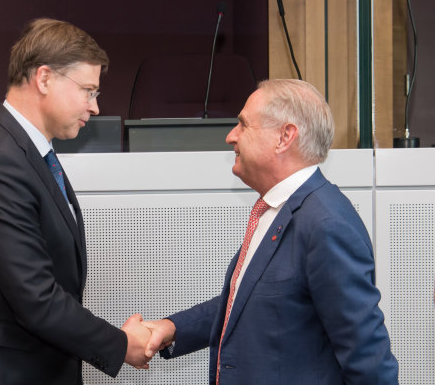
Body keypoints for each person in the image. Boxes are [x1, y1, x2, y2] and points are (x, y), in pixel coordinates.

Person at [0, 18, 150, 385]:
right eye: (88, 91)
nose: (95, 107)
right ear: (44, 79)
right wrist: (121, 345)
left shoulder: (26, 153)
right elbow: (36, 299)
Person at [142, 79, 399, 384]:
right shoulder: (275, 208)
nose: (230, 136)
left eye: (243, 124)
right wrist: (171, 328)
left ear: (284, 137)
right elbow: (249, 301)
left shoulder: (326, 224)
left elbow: (367, 356)